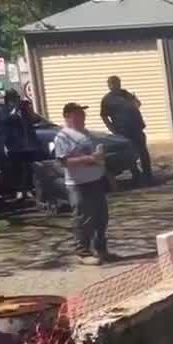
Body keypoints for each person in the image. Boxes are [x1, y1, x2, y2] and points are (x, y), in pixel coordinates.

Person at [53, 102, 113, 265]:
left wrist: (104, 170)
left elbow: (97, 157)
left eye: (83, 113)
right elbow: (64, 162)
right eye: (78, 113)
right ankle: (83, 252)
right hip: (78, 184)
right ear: (68, 116)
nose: (82, 116)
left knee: (101, 217)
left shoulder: (86, 134)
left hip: (96, 181)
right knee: (83, 218)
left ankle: (101, 249)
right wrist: (89, 158)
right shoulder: (63, 137)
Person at [100, 75, 152, 183]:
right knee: (130, 153)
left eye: (117, 83)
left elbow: (137, 105)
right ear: (109, 85)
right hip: (122, 130)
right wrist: (112, 129)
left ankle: (148, 175)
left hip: (137, 127)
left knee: (143, 152)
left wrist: (135, 100)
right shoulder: (107, 100)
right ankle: (136, 175)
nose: (116, 85)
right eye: (113, 84)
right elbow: (104, 116)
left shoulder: (126, 94)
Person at [0, 89, 39, 199]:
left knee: (28, 168)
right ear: (8, 100)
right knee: (17, 169)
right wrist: (15, 109)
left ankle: (29, 189)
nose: (15, 101)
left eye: (16, 98)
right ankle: (19, 190)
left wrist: (29, 110)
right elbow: (5, 120)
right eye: (13, 99)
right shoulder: (4, 110)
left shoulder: (25, 109)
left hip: (28, 143)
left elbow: (36, 119)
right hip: (14, 145)